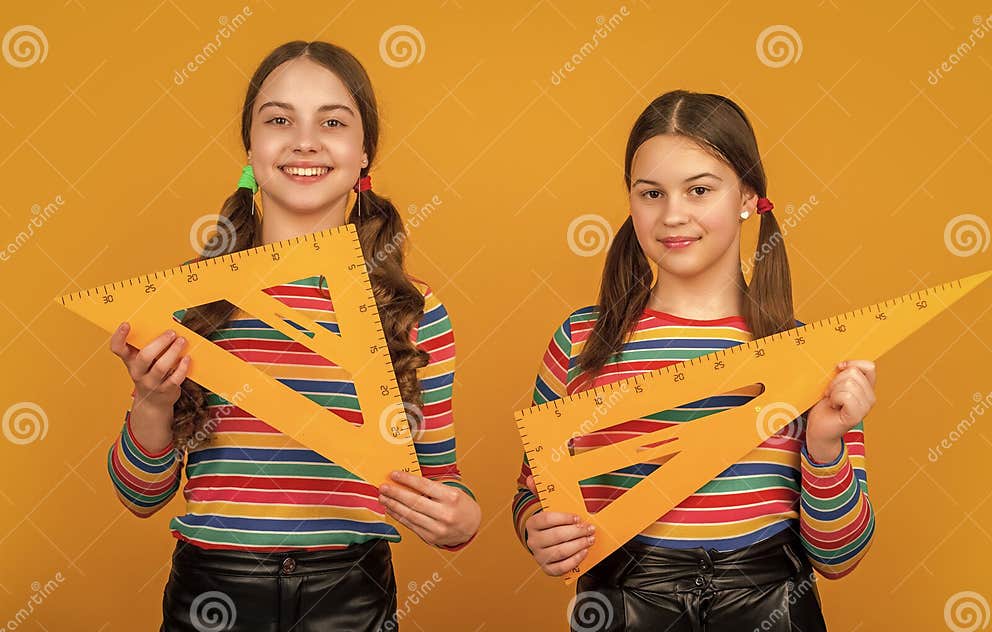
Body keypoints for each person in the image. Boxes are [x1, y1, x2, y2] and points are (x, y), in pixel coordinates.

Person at [107, 40, 480, 631]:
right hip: (211, 599)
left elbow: (441, 485)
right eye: (279, 120)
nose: (305, 141)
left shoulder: (415, 310)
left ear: (363, 155)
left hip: (351, 597)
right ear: (251, 150)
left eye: (333, 122)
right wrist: (151, 399)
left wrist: (460, 522)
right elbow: (140, 497)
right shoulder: (190, 302)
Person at [512, 90, 875, 632]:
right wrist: (537, 530)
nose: (672, 215)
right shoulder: (580, 340)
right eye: (651, 193)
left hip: (772, 609)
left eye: (699, 189)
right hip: (623, 607)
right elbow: (531, 492)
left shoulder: (808, 356)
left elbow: (840, 558)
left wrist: (824, 444)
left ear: (749, 197)